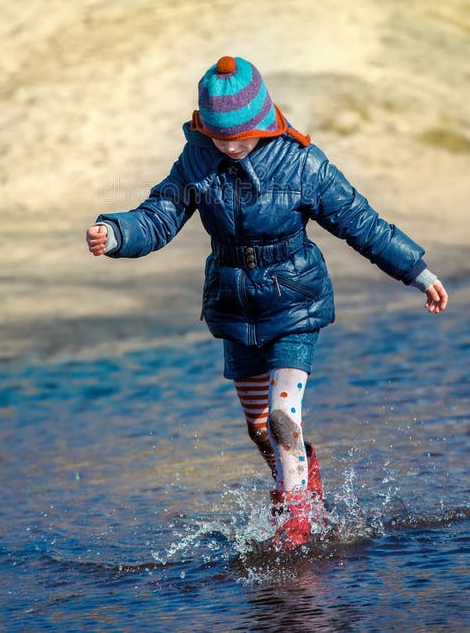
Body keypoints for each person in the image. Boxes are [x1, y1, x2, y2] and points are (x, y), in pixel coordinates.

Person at [86, 55, 448, 548]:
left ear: (264, 121)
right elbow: (159, 215)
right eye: (219, 136)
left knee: (282, 418)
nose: (230, 146)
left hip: (294, 303)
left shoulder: (302, 163)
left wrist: (418, 272)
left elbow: (362, 223)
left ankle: (296, 521)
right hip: (235, 308)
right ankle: (303, 483)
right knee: (261, 429)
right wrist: (117, 232)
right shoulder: (196, 160)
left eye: (240, 136)